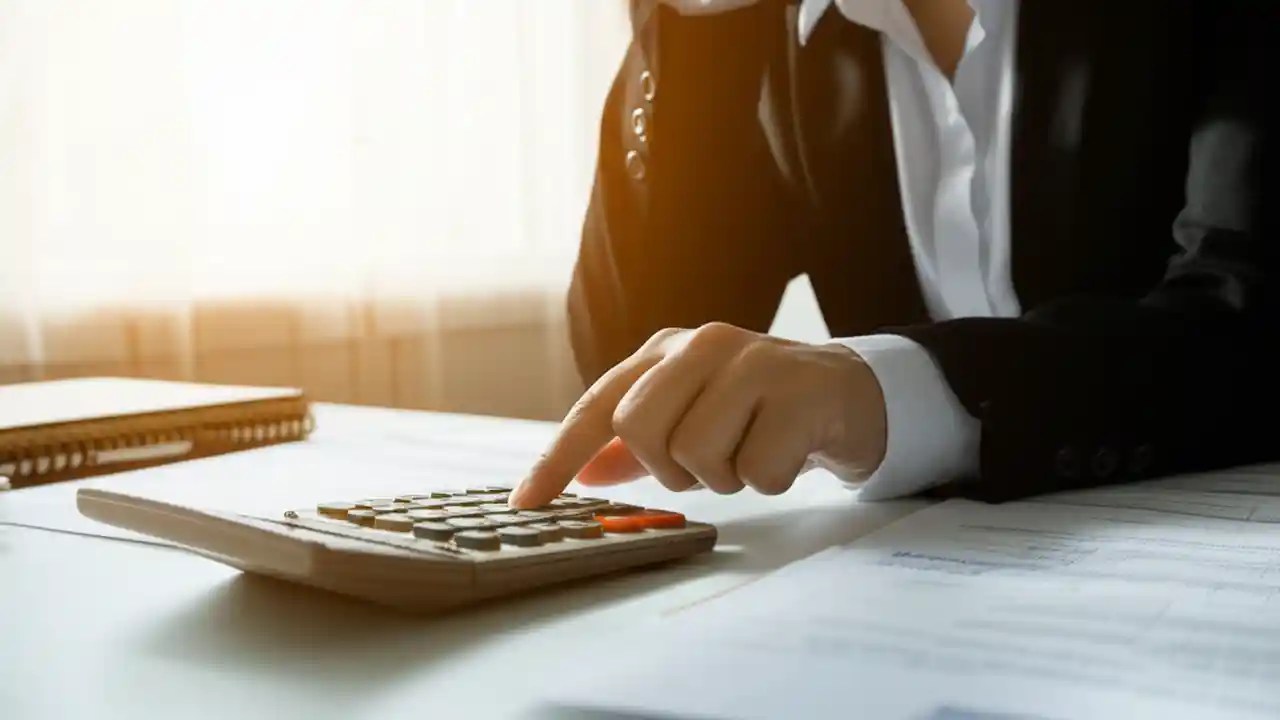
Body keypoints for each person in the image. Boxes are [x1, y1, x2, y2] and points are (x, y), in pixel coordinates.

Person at [508, 0, 1279, 509]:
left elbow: (1247, 327)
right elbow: (635, 376)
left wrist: (889, 390)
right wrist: (690, 27)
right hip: (923, 587)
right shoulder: (764, 23)